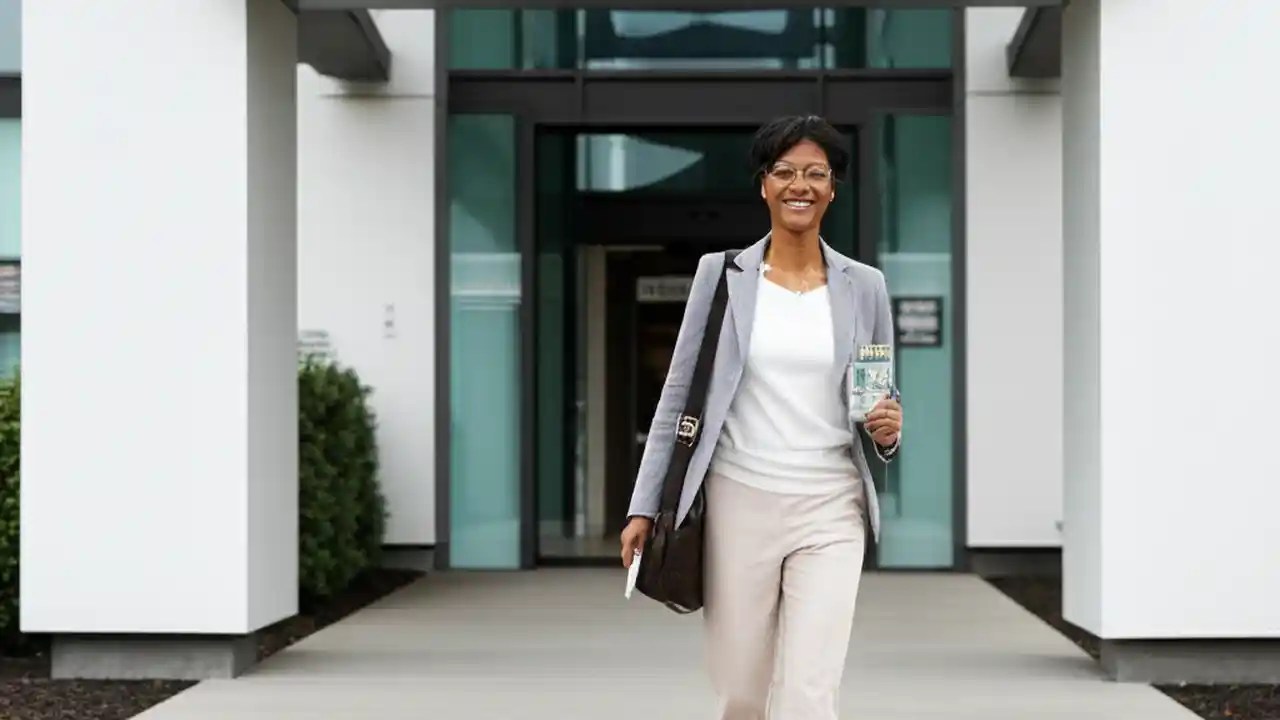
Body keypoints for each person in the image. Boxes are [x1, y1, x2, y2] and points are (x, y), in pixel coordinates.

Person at [619, 115, 904, 720]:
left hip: (832, 505)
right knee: (742, 692)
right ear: (764, 185)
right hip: (738, 501)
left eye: (815, 173)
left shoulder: (866, 286)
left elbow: (877, 393)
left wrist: (886, 428)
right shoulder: (721, 276)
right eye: (785, 172)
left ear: (832, 189)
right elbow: (679, 394)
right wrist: (644, 506)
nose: (800, 185)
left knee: (810, 691)